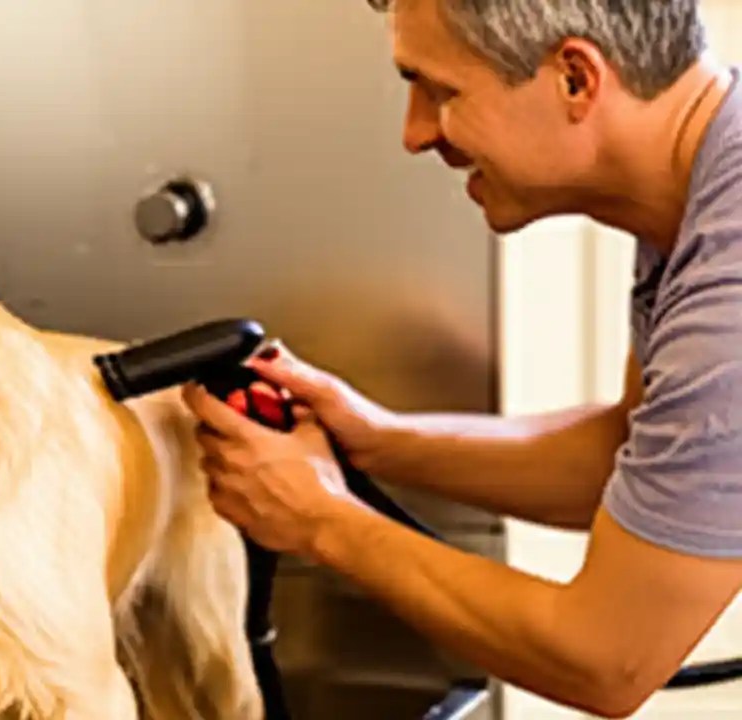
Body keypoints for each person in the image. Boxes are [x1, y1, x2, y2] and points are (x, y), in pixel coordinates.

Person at [182, 0, 742, 717]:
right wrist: (378, 440)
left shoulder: (728, 282)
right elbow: (626, 453)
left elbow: (608, 658)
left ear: (575, 78)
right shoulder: (703, 185)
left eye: (441, 92)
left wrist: (322, 519)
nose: (416, 135)